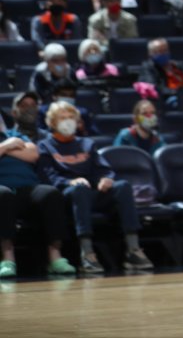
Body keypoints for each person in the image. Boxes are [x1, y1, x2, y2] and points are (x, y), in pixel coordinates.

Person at [36, 101, 154, 274]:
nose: (68, 121)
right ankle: (87, 253)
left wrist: (106, 179)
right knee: (80, 189)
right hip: (66, 196)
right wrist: (70, 182)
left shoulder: (87, 143)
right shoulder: (45, 146)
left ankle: (133, 250)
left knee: (123, 186)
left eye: (71, 117)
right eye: (62, 118)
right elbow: (48, 177)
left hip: (91, 192)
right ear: (52, 122)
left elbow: (103, 169)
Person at [0, 94, 75, 277]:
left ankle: (55, 257)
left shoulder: (14, 134)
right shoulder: (11, 140)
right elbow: (23, 152)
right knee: (3, 194)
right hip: (3, 189)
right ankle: (7, 258)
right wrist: (8, 146)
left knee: (50, 193)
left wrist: (5, 147)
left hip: (28, 188)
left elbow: (33, 154)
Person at [137, 37, 183, 102]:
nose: (163, 54)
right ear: (151, 53)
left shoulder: (178, 65)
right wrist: (175, 92)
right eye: (160, 51)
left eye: (165, 50)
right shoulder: (148, 67)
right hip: (164, 99)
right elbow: (153, 88)